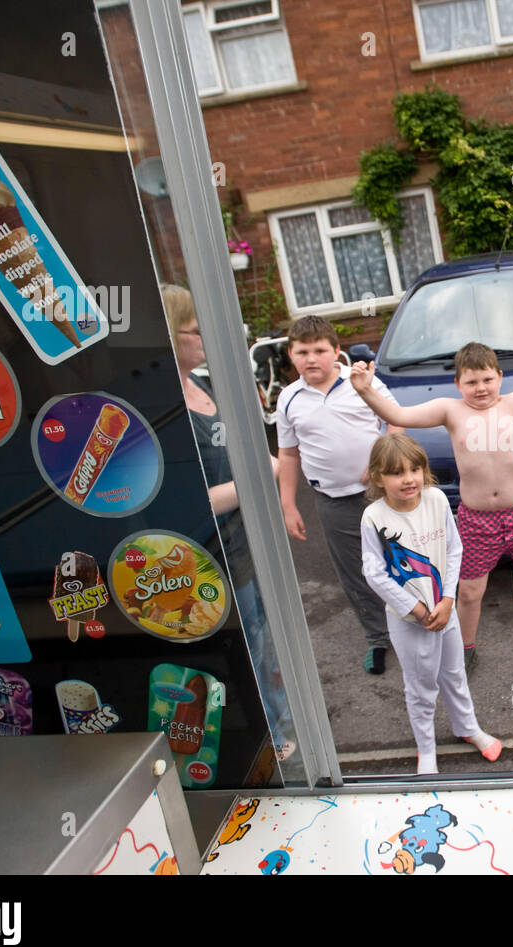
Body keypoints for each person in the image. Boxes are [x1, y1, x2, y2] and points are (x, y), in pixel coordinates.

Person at [350, 342, 513, 673]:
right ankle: (466, 647)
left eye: (487, 379)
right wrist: (366, 390)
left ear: (499, 377)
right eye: (471, 382)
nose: (480, 388)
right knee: (470, 592)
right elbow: (397, 415)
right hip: (476, 521)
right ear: (458, 384)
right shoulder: (450, 410)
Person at [162, 284, 296, 765]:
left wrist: (265, 469)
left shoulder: (205, 386)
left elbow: (253, 450)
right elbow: (180, 505)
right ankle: (271, 738)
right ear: (168, 333)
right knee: (244, 644)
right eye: (197, 331)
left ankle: (283, 721)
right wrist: (256, 479)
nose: (205, 340)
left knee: (265, 636)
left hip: (246, 544)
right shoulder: (160, 412)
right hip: (206, 558)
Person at [359, 434, 501, 775]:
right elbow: (374, 572)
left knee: (454, 674)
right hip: (410, 621)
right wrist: (418, 611)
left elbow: (454, 549)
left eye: (414, 469)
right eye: (396, 473)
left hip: (446, 610)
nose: (408, 479)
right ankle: (426, 749)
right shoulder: (373, 517)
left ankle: (467, 727)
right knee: (421, 685)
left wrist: (448, 599)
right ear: (379, 478)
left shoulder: (436, 499)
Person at [275, 316, 400, 675]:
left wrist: (380, 458)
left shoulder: (362, 382)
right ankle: (377, 638)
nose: (311, 358)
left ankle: (415, 623)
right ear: (291, 354)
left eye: (319, 350)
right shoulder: (288, 399)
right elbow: (288, 454)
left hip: (381, 493)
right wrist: (288, 505)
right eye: (302, 351)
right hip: (334, 501)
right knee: (356, 572)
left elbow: (397, 421)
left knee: (399, 559)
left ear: (337, 353)